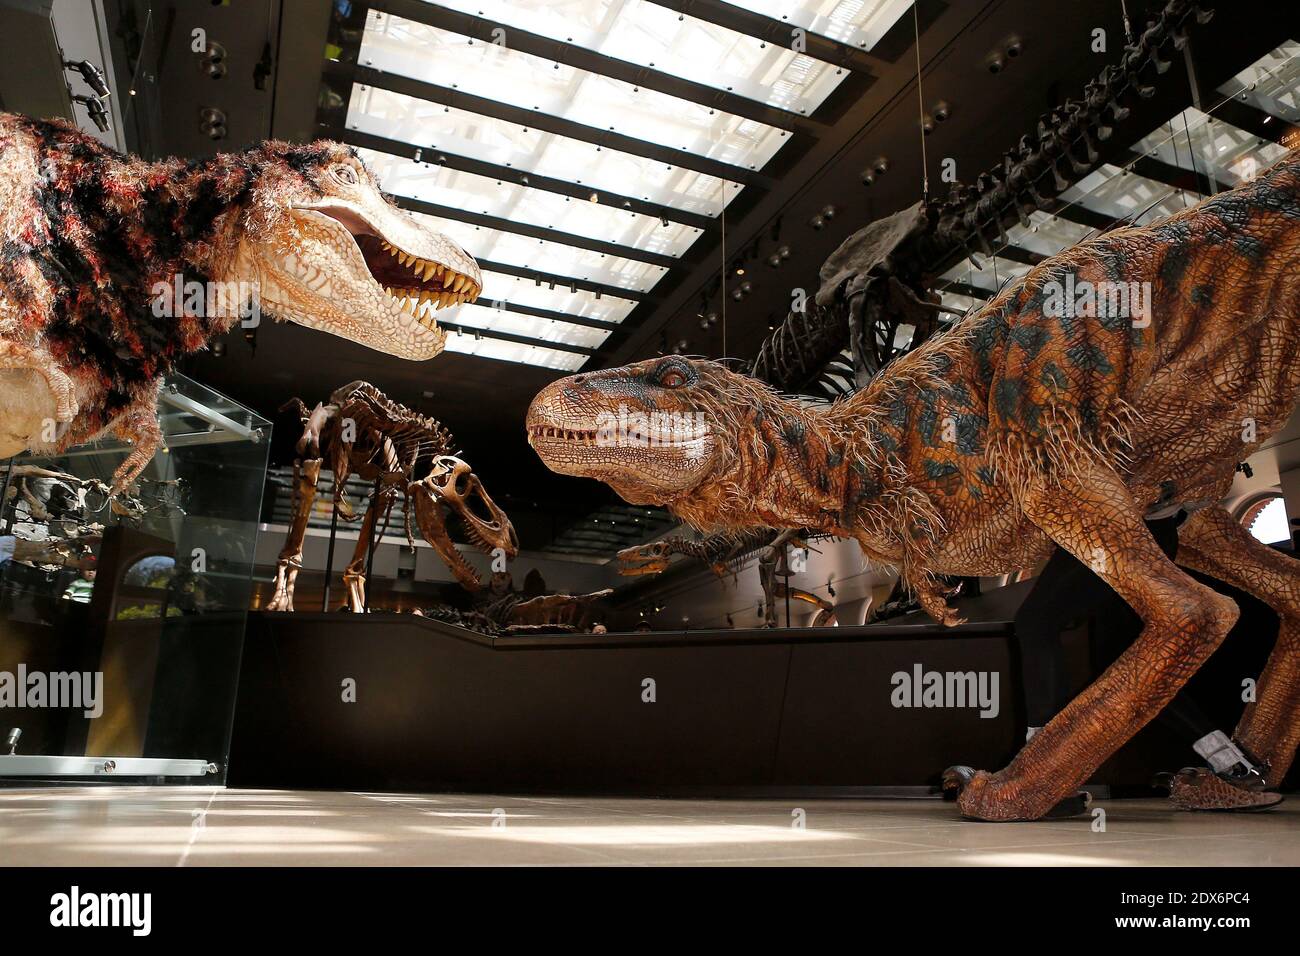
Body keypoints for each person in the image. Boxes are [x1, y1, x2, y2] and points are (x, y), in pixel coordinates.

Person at [1014, 509, 1277, 809]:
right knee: (1129, 661)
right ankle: (1234, 765)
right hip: (1141, 529)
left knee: (1035, 621)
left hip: (1111, 525)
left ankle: (1040, 767)